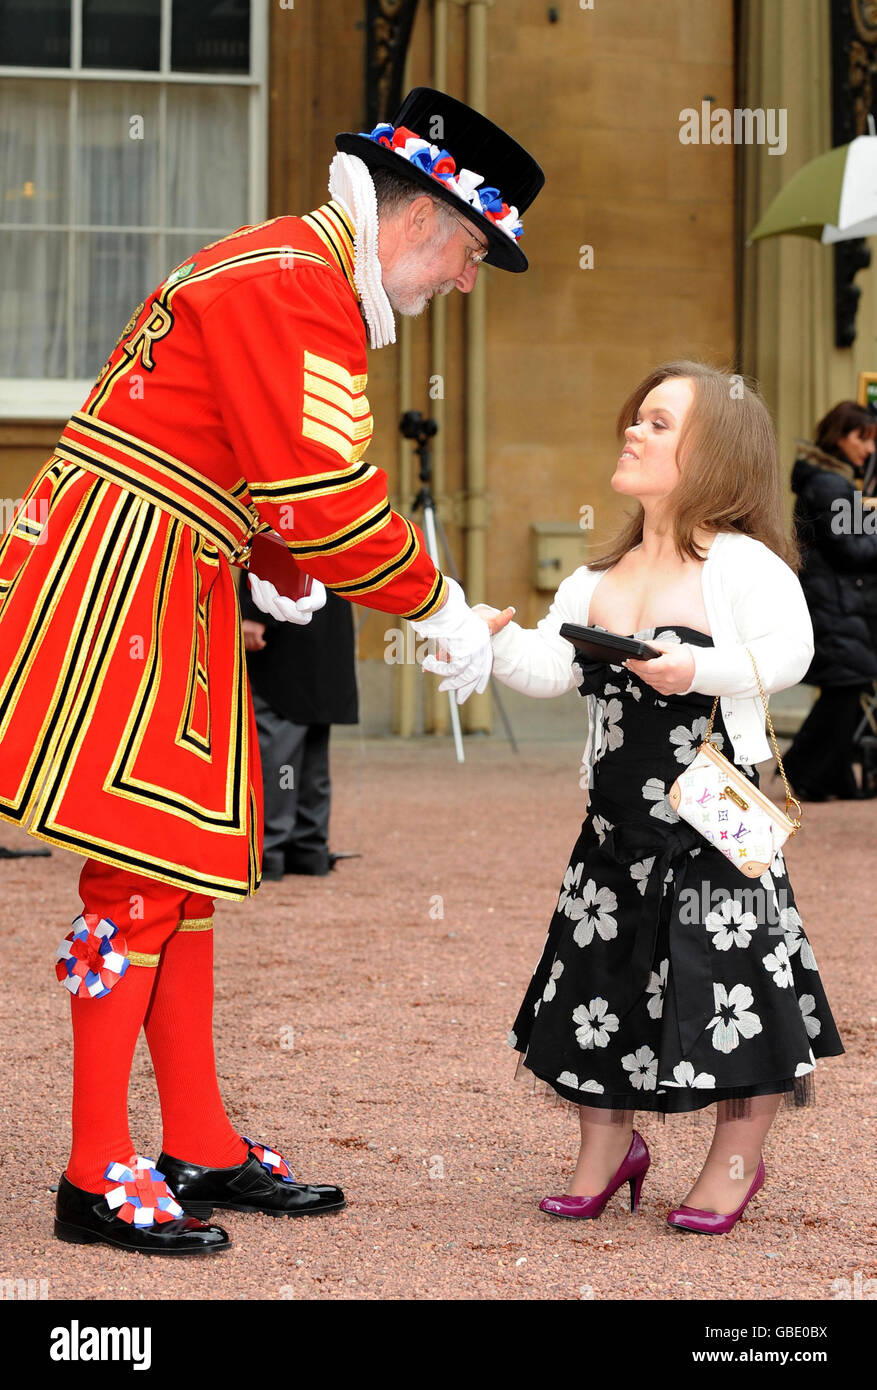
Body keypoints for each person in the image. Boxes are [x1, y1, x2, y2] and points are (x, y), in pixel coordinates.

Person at [0, 87, 543, 1254]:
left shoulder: (301, 268)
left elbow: (238, 459)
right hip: (128, 581)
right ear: (418, 214)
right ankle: (95, 1171)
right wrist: (437, 604)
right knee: (138, 877)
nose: (463, 278)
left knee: (182, 870)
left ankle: (192, 1137)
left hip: (161, 569)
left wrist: (268, 551)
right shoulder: (300, 282)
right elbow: (331, 497)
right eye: (469, 250)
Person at [427, 361, 844, 1234]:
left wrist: (696, 667)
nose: (633, 431)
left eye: (657, 423)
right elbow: (553, 667)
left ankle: (737, 1160)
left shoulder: (742, 565)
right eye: (637, 418)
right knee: (599, 983)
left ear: (712, 456)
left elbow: (792, 652)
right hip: (614, 828)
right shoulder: (595, 577)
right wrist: (495, 643)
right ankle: (606, 1151)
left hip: (718, 821)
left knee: (737, 987)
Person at [782, 402, 877, 800]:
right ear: (841, 436)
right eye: (863, 438)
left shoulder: (826, 482)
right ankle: (803, 773)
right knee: (845, 689)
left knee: (846, 689)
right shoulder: (832, 485)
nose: (870, 450)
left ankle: (833, 778)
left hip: (834, 602)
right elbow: (853, 550)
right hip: (835, 605)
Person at [239, 575, 358, 879]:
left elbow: (275, 541)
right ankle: (307, 847)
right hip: (324, 622)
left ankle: (270, 849)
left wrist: (255, 613)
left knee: (279, 745)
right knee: (310, 747)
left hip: (287, 625)